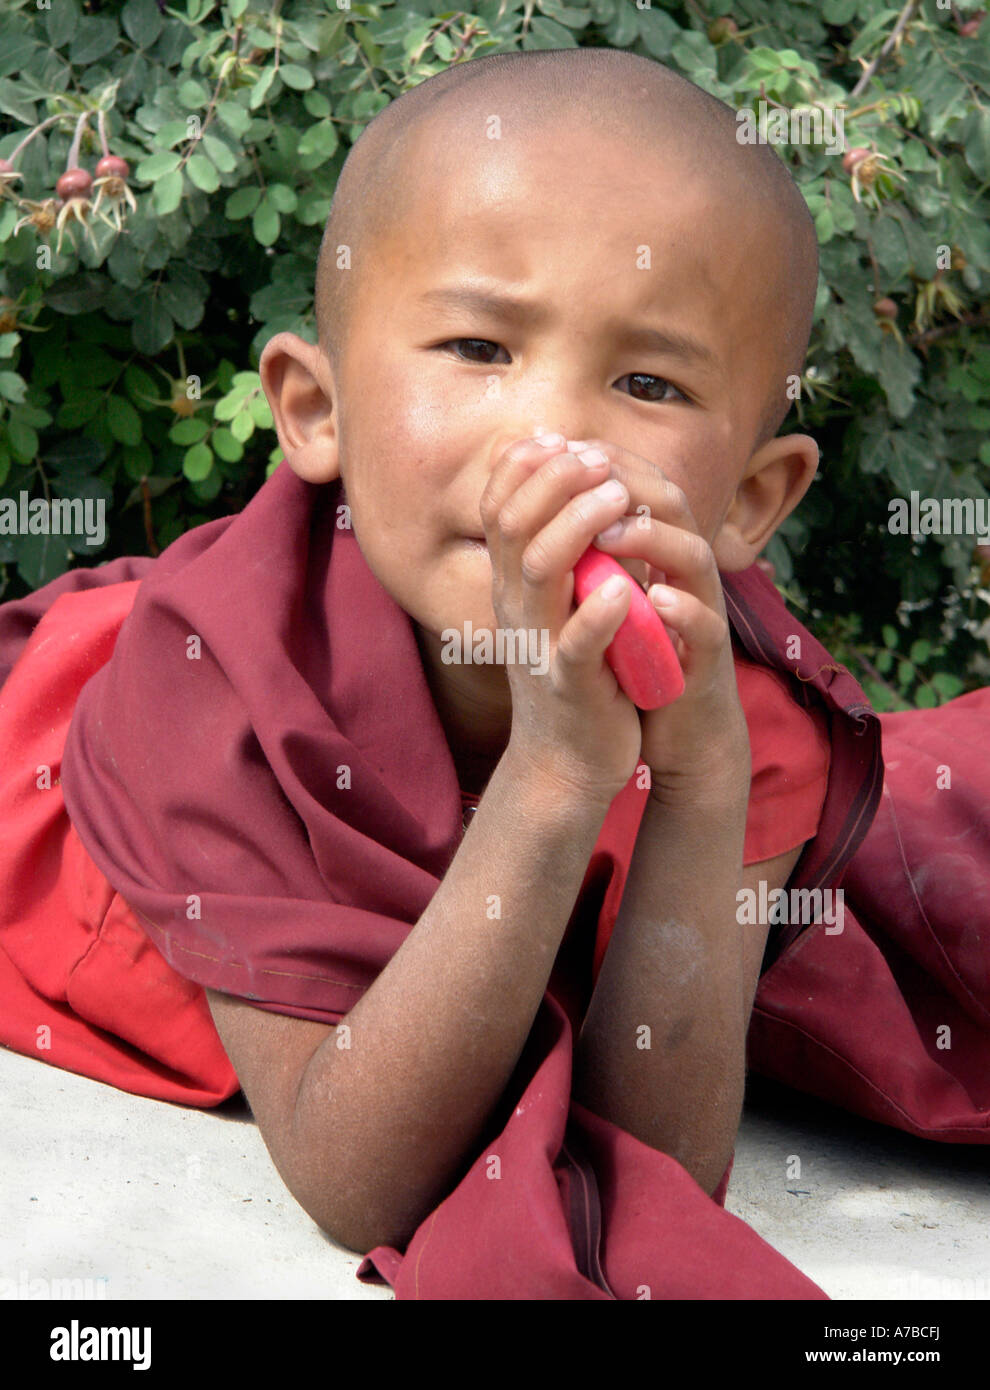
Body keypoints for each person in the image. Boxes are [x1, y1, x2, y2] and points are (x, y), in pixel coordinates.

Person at [1, 49, 986, 1301]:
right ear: (317, 410)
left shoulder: (743, 704)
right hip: (47, 797)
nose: (550, 438)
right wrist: (561, 767)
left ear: (750, 499)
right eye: (478, 344)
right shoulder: (222, 678)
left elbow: (662, 1159)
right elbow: (361, 1178)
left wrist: (696, 789)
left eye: (647, 382)